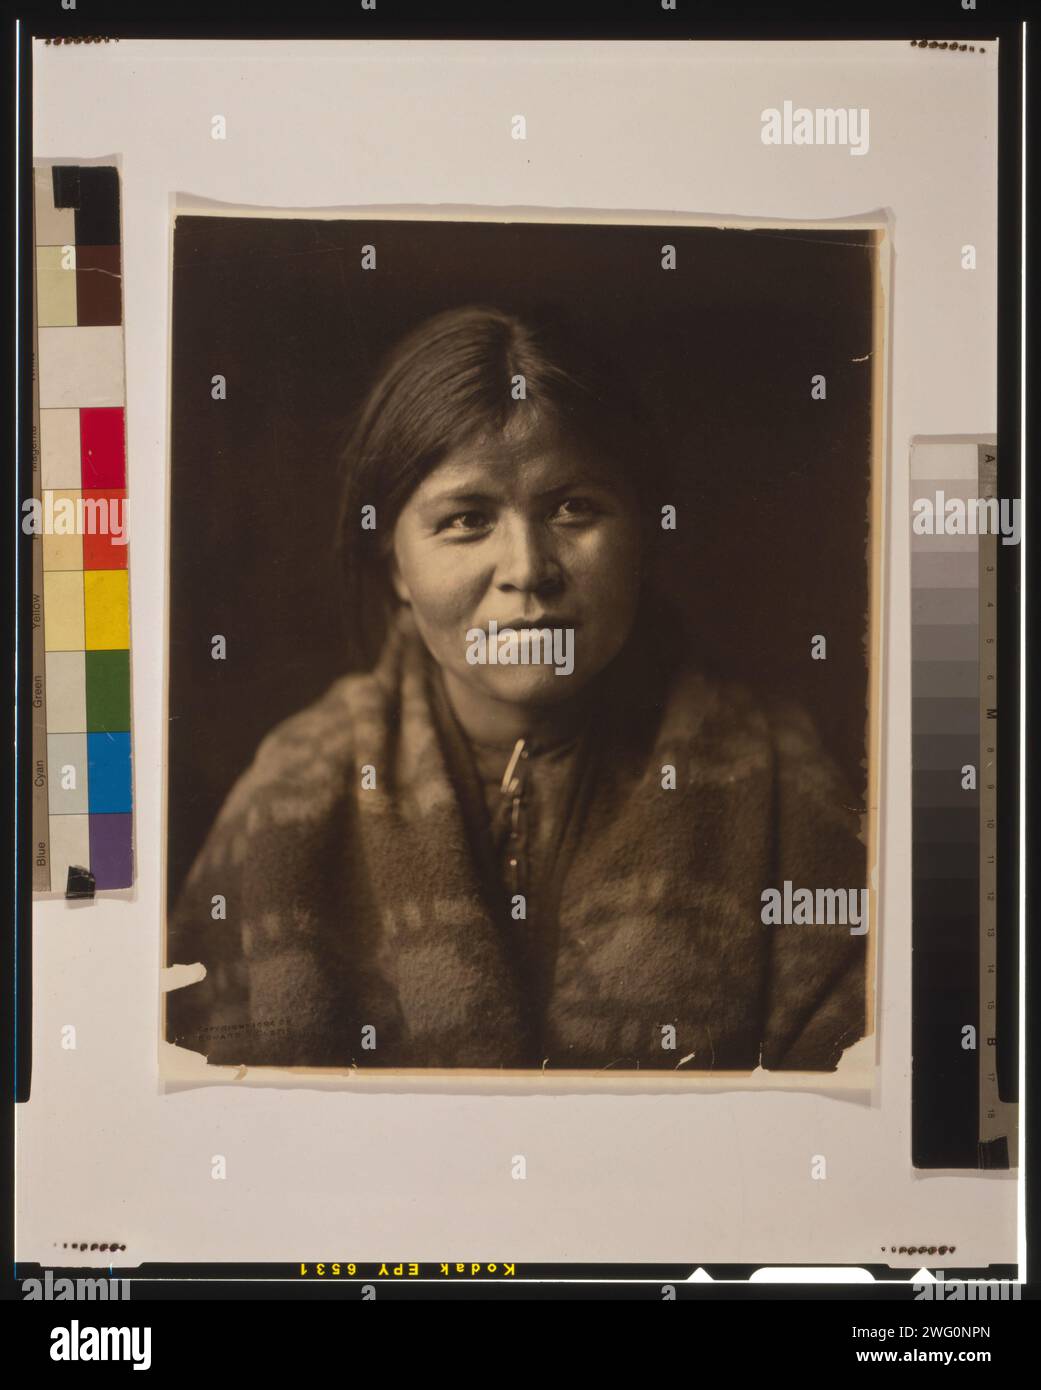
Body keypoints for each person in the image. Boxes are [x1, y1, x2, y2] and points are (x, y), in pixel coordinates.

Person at [165, 304, 868, 1072]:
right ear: (396, 566)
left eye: (573, 509)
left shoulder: (775, 778)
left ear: (642, 530)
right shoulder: (294, 796)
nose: (527, 567)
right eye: (466, 520)